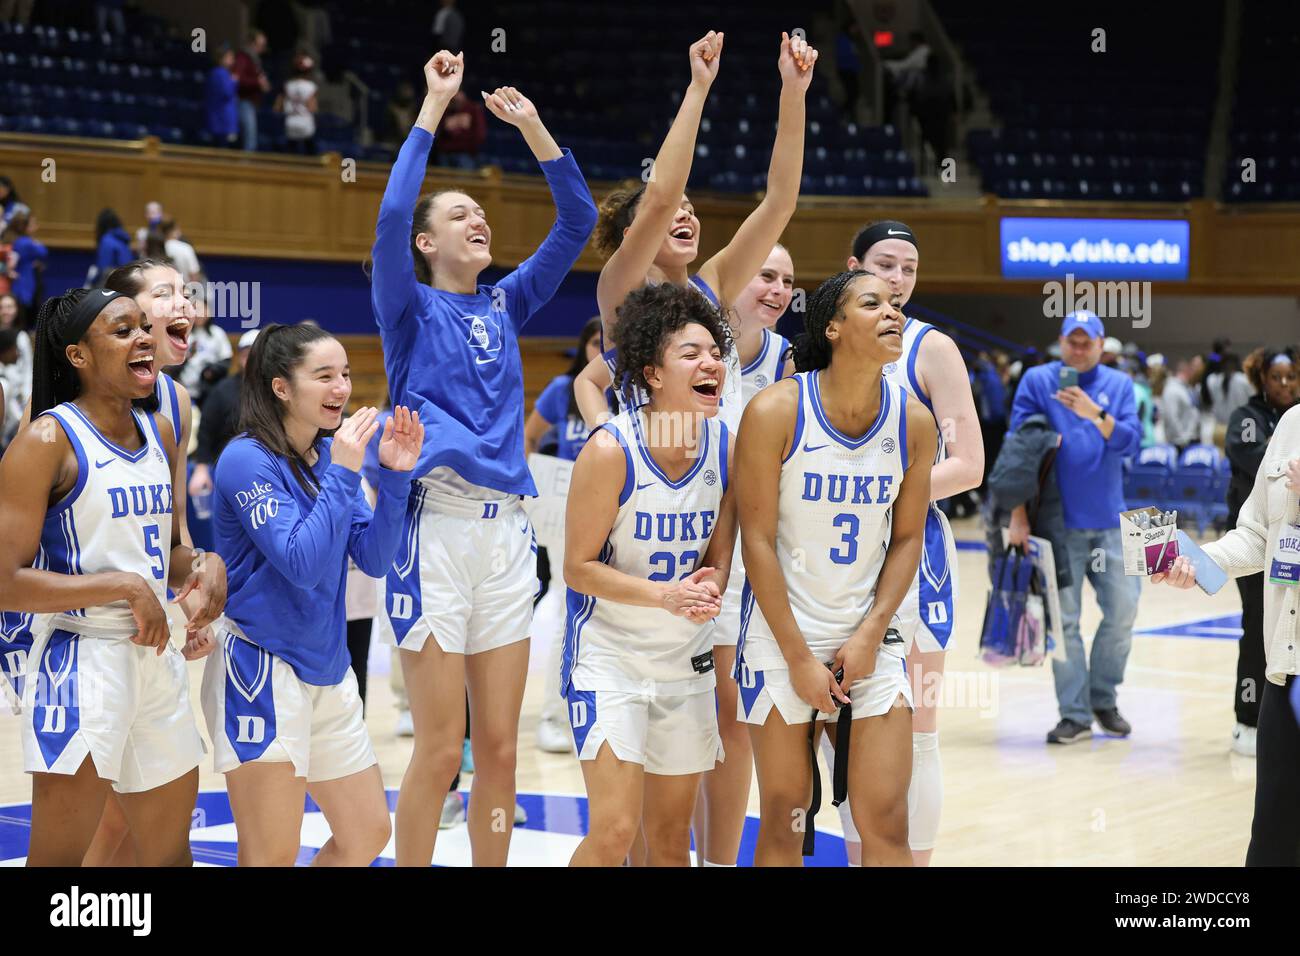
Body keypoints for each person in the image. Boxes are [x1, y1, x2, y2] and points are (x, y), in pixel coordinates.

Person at [370, 50, 596, 867]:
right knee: (439, 748)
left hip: (508, 538)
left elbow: (576, 222)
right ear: (428, 242)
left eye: (481, 214)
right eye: (459, 215)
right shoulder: (406, 304)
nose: (479, 223)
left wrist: (531, 127)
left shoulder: (508, 300)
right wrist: (433, 107)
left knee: (500, 750)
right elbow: (392, 216)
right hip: (432, 533)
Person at [0, 287, 226, 866]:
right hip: (79, 661)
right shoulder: (46, 440)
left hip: (155, 661)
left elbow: (169, 549)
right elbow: (5, 582)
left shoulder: (162, 433)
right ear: (78, 356)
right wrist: (124, 587)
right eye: (123, 330)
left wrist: (204, 564)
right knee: (58, 866)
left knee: (171, 857)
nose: (144, 338)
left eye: (144, 327)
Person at [202, 324, 423, 866]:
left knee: (367, 833)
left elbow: (372, 558)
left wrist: (395, 477)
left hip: (328, 668)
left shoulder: (330, 455)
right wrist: (346, 473)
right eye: (324, 375)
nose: (342, 388)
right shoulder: (245, 459)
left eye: (345, 374)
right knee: (270, 856)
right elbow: (301, 563)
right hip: (261, 672)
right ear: (281, 387)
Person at [736, 269, 936, 866]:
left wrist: (872, 632)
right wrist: (799, 656)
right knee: (784, 821)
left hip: (871, 639)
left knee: (886, 822)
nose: (892, 312)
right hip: (781, 639)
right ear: (833, 326)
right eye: (872, 303)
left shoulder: (913, 422)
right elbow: (757, 540)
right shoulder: (775, 410)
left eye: (896, 304)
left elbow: (907, 539)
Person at [563, 282, 736, 867]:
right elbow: (577, 569)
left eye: (714, 351)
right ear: (652, 374)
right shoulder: (611, 450)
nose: (710, 361)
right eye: (690, 353)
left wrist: (711, 583)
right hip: (610, 659)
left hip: (684, 662)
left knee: (670, 843)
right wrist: (664, 596)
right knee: (614, 831)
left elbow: (720, 552)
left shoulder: (725, 447)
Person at [828, 220, 983, 866]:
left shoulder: (933, 349)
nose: (898, 279)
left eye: (909, 269)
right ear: (854, 265)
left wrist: (890, 493)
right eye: (886, 265)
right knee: (844, 731)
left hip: (915, 551)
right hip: (834, 556)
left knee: (917, 730)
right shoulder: (822, 345)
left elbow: (969, 464)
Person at [574, 31, 816, 439]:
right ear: (636, 233)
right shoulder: (619, 292)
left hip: (719, 476)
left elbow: (779, 204)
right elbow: (662, 197)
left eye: (691, 210)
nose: (684, 215)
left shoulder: (713, 285)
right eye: (674, 212)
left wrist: (794, 92)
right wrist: (698, 86)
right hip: (650, 479)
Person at [1152, 406, 1300, 866]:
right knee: (1271, 843)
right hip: (1285, 671)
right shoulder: (1292, 424)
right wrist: (1197, 563)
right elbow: (1256, 534)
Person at [694, 243, 795, 866]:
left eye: (788, 280)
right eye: (766, 274)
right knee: (675, 720)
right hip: (671, 545)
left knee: (731, 719)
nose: (780, 289)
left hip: (741, 555)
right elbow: (592, 381)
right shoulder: (695, 339)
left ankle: (718, 861)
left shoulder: (789, 359)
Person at [1009, 310, 1142, 744]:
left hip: (1110, 521)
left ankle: (1103, 698)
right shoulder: (1038, 381)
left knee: (1122, 614)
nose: (1079, 348)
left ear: (1102, 345)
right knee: (1063, 624)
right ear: (1061, 342)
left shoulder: (1119, 386)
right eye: (1073, 340)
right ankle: (1075, 713)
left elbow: (1130, 442)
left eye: (1088, 342)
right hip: (1055, 522)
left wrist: (1093, 414)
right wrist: (1018, 514)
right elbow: (1019, 448)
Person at [524, 317, 602, 754]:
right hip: (564, 513)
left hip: (616, 510)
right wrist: (529, 488)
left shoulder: (634, 391)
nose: (602, 348)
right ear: (583, 346)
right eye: (595, 341)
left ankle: (595, 708)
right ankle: (554, 715)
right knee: (567, 604)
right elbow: (530, 437)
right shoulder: (562, 390)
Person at [1223, 346, 1299, 756]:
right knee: (1256, 629)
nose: (1285, 384)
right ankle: (1246, 718)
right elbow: (1255, 464)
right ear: (1262, 380)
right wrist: (1203, 563)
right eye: (1277, 377)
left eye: (1291, 376)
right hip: (1265, 544)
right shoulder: (1255, 420)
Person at [179, 304, 233, 404]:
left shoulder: (217, 333)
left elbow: (226, 360)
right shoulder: (183, 333)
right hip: (185, 388)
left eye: (202, 310)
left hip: (210, 389)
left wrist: (211, 371)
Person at [233, 30, 272, 152]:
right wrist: (257, 82)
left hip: (251, 103)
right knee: (249, 143)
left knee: (250, 141)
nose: (262, 49)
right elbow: (238, 79)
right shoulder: (243, 57)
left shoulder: (254, 59)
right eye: (259, 45)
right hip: (243, 102)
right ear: (251, 43)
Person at [4, 209, 46, 315]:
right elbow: (43, 251)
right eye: (33, 224)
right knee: (23, 314)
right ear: (25, 227)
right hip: (24, 283)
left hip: (16, 282)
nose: (36, 227)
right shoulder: (25, 242)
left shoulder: (10, 240)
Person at [433, 91, 487, 169]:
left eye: (457, 94)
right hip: (445, 153)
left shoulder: (473, 109)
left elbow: (480, 133)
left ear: (463, 94)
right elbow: (436, 132)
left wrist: (470, 147)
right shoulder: (444, 109)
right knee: (443, 179)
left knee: (464, 180)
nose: (455, 98)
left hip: (465, 154)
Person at [279, 53, 320, 156]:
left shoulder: (288, 85)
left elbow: (278, 106)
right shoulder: (310, 86)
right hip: (305, 123)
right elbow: (312, 107)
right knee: (310, 154)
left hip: (291, 122)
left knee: (291, 153)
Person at [1159, 356, 1201, 452]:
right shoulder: (1172, 390)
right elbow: (1171, 416)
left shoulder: (1185, 388)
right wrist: (1181, 438)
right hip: (1179, 443)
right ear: (1186, 372)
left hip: (1189, 439)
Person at [206, 46, 240, 149]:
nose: (232, 60)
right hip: (223, 119)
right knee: (222, 150)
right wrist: (234, 81)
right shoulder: (221, 73)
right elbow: (227, 93)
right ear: (222, 58)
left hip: (219, 118)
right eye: (230, 57)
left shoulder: (215, 73)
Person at [90, 209, 132, 287]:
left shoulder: (106, 240)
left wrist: (91, 282)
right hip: (127, 281)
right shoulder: (123, 238)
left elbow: (103, 268)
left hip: (113, 282)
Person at [161, 220, 202, 284]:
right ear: (174, 230)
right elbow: (194, 275)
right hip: (184, 290)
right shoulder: (186, 248)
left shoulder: (158, 249)